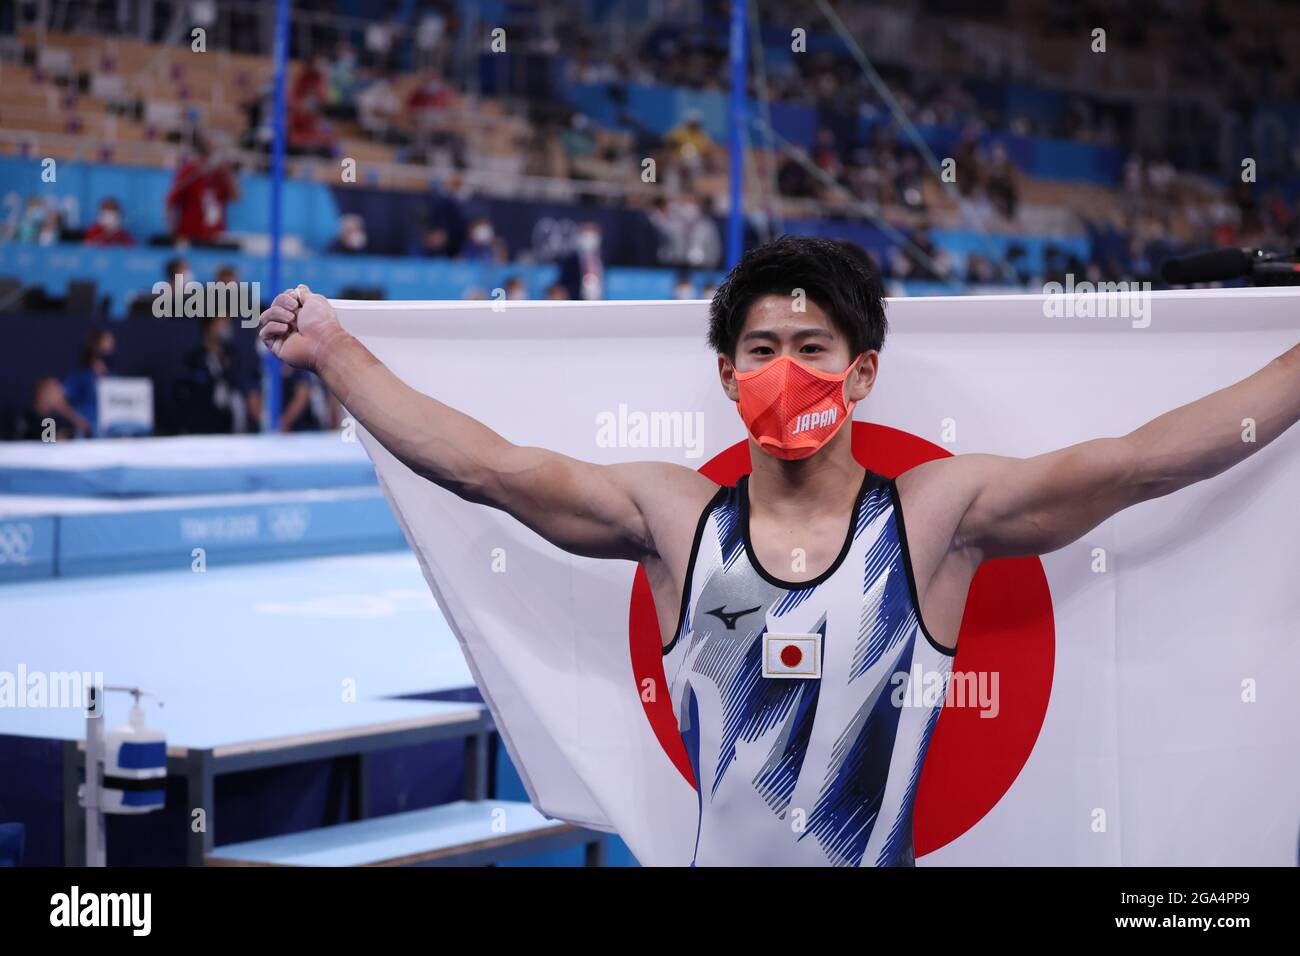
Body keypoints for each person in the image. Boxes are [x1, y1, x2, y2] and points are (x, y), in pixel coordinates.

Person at [257, 236, 1300, 867]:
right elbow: (487, 467)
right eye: (761, 350)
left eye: (812, 349)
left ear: (861, 376)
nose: (786, 369)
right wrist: (338, 354)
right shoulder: (674, 519)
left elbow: (1134, 464)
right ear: (726, 375)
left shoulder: (934, 516)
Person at [165, 136, 241, 244]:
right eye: (215, 151)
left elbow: (236, 198)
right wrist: (173, 232)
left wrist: (227, 172)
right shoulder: (190, 171)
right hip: (190, 235)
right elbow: (170, 202)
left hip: (216, 236)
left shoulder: (222, 174)